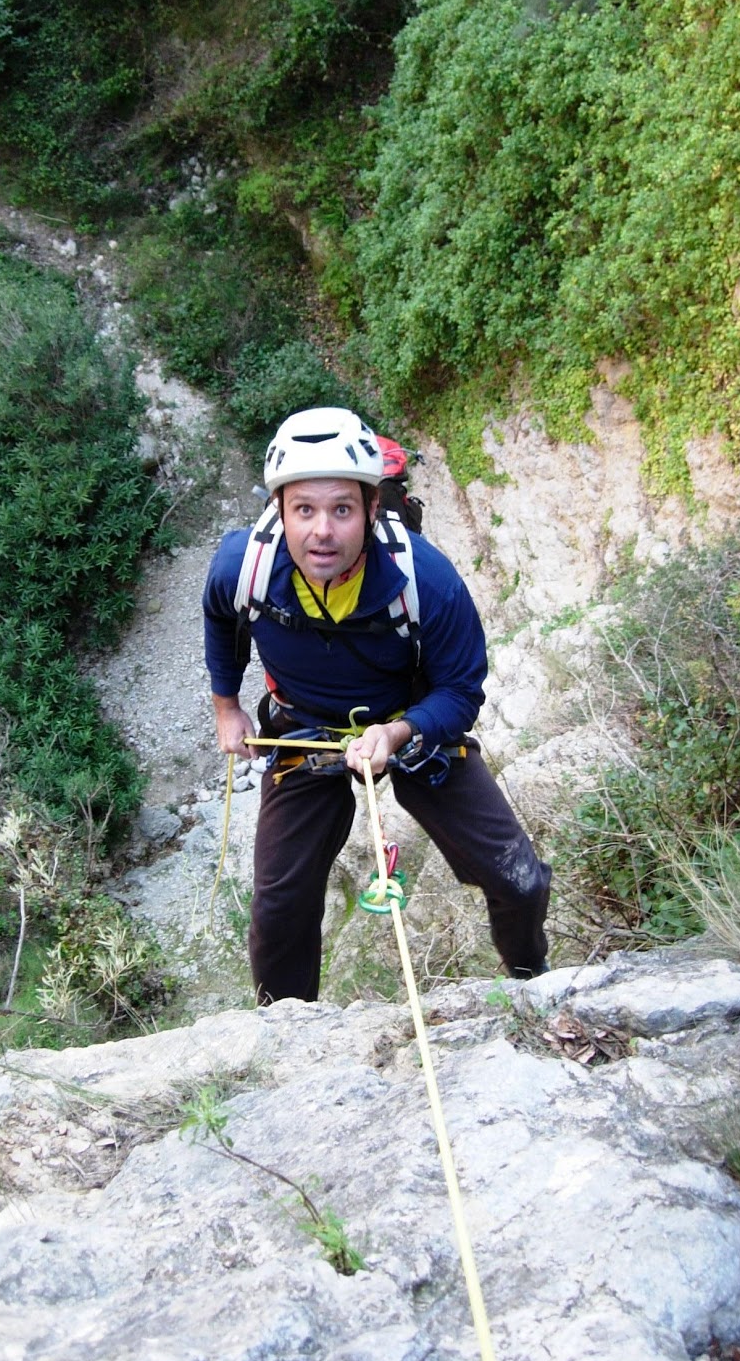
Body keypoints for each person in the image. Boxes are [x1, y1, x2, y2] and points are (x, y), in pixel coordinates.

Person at [202, 406, 551, 1005]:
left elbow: (461, 691)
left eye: (341, 509)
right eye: (303, 510)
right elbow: (220, 621)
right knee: (280, 907)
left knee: (519, 881)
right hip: (303, 730)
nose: (322, 531)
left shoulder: (426, 580)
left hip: (413, 726)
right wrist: (226, 707)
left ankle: (530, 990)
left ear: (370, 508)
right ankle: (286, 1030)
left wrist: (397, 733)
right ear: (278, 511)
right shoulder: (246, 567)